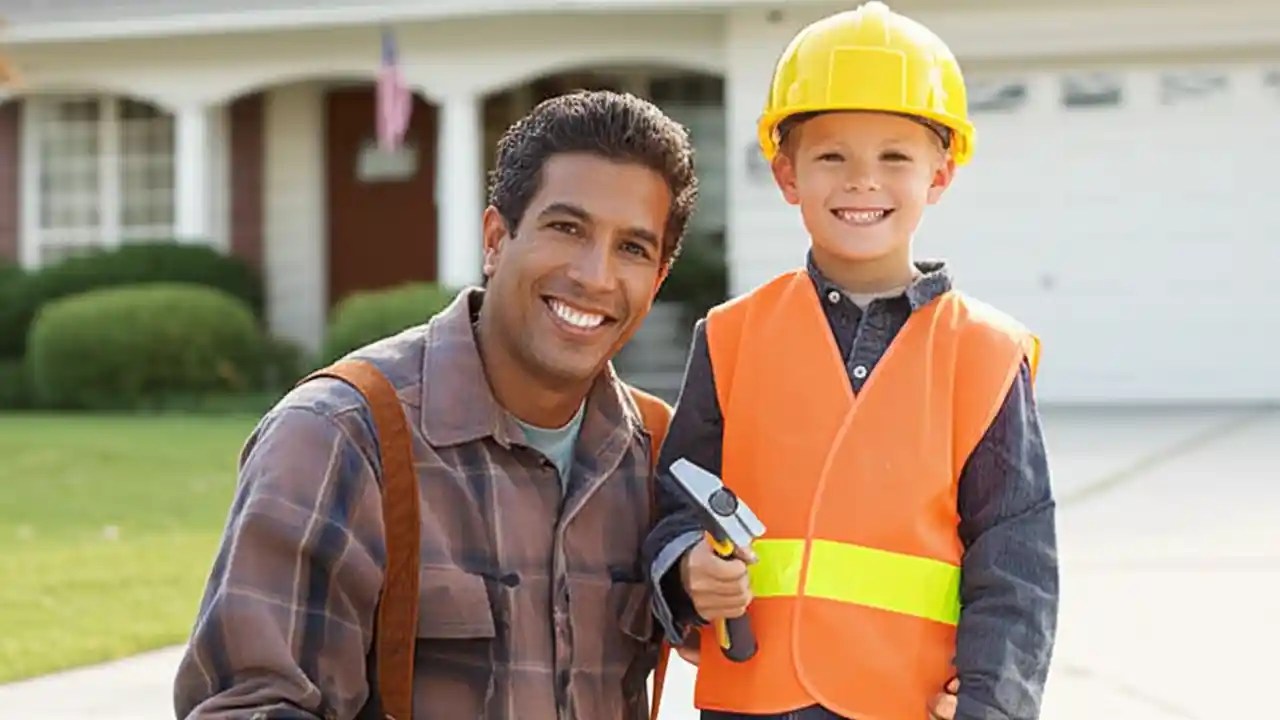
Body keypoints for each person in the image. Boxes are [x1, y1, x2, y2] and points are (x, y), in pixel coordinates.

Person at [173, 89, 697, 720]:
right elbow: (249, 705)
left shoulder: (659, 456)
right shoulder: (338, 437)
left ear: (659, 277)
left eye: (632, 248)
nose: (595, 275)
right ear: (496, 238)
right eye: (567, 228)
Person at [642, 3, 1059, 720]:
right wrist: (685, 569)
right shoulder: (731, 337)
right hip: (753, 700)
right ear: (786, 174)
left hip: (911, 704)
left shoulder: (985, 354)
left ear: (940, 174)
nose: (862, 181)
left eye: (894, 157)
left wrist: (995, 703)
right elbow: (677, 503)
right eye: (832, 155)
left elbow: (1015, 560)